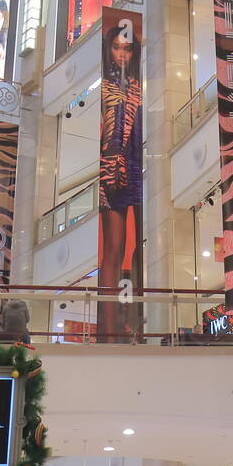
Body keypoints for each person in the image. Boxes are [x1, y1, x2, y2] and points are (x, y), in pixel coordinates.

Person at [98, 21, 142, 343]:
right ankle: (108, 329)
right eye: (116, 47)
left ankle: (133, 321)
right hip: (112, 168)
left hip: (139, 167)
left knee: (139, 245)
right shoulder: (102, 86)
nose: (121, 54)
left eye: (127, 48)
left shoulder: (141, 87)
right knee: (114, 249)